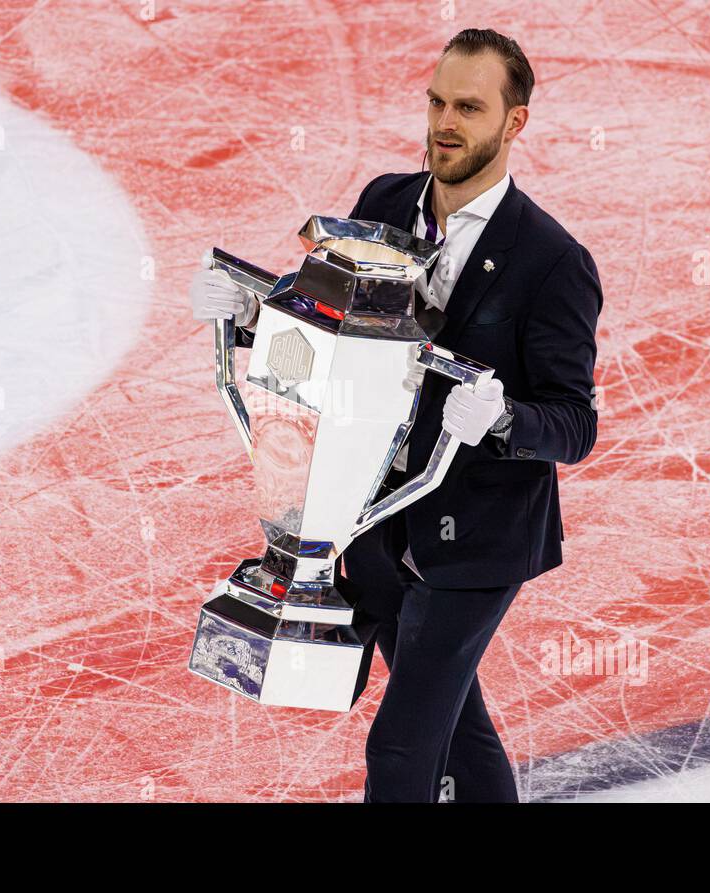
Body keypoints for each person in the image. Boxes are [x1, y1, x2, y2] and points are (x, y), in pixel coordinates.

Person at [188, 28, 603, 803]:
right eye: (438, 101)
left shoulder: (552, 261)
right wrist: (246, 314)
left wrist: (504, 416)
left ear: (514, 124)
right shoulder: (383, 204)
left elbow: (574, 425)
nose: (445, 122)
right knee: (459, 731)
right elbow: (323, 332)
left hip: (476, 544)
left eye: (470, 108)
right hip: (376, 525)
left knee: (404, 744)